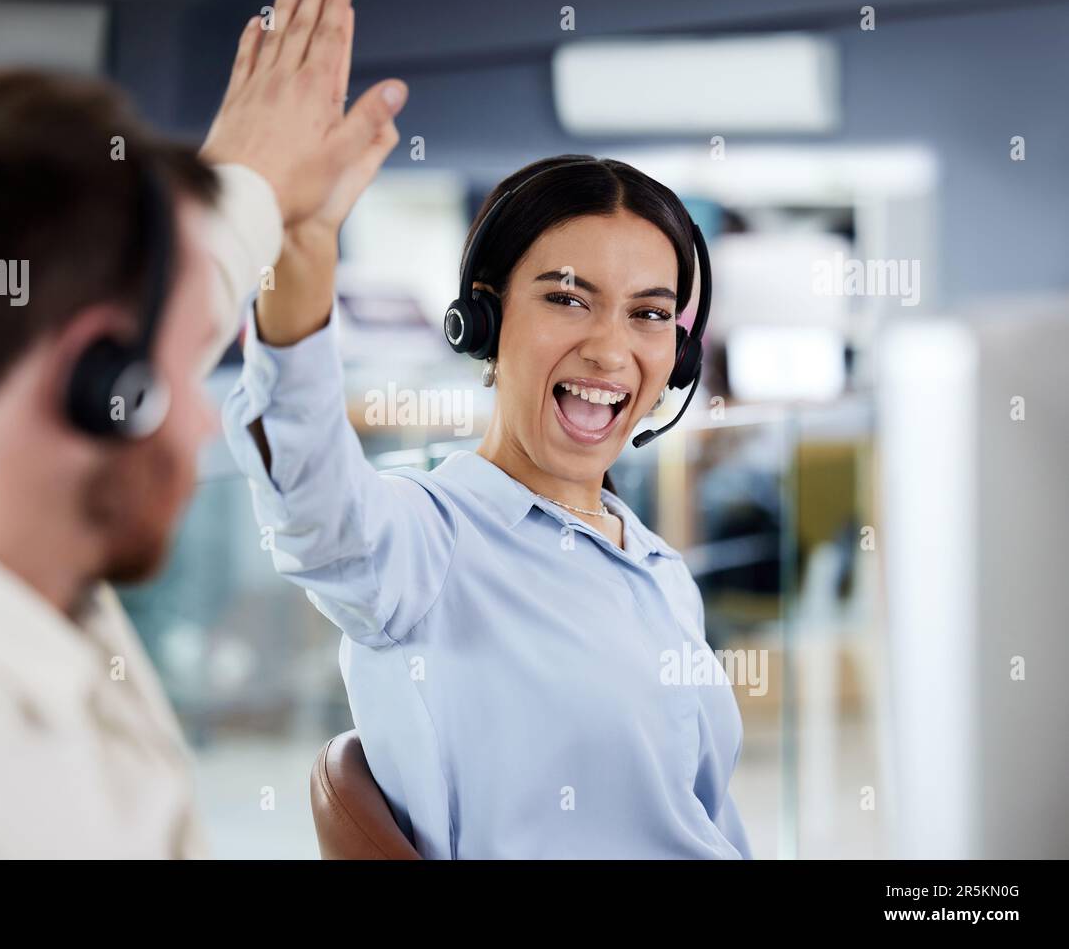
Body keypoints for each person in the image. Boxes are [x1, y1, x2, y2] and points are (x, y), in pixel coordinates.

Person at [0, 0, 407, 857]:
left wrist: (254, 190)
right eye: (184, 374)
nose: (198, 424)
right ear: (100, 386)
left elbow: (182, 291)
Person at [223, 153, 754, 858]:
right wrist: (300, 255)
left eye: (649, 314)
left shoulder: (659, 569)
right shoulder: (424, 542)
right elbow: (313, 498)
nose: (610, 349)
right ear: (483, 317)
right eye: (567, 298)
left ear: (678, 357)